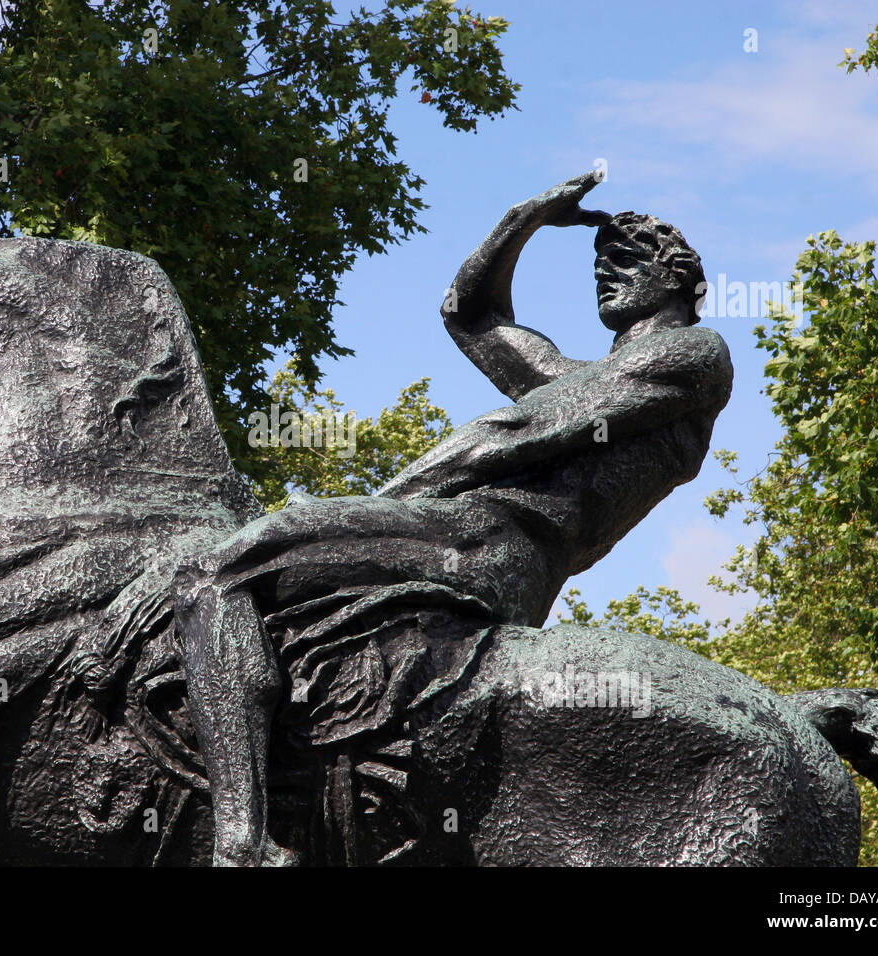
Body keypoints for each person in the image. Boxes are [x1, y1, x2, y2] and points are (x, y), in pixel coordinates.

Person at [174, 172, 733, 865]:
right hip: (481, 545)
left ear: (677, 278)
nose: (604, 276)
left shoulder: (692, 355)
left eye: (625, 263)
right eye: (598, 263)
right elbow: (469, 315)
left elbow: (511, 432)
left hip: (484, 544)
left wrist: (380, 507)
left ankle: (242, 844)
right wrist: (521, 218)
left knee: (216, 573)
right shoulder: (584, 378)